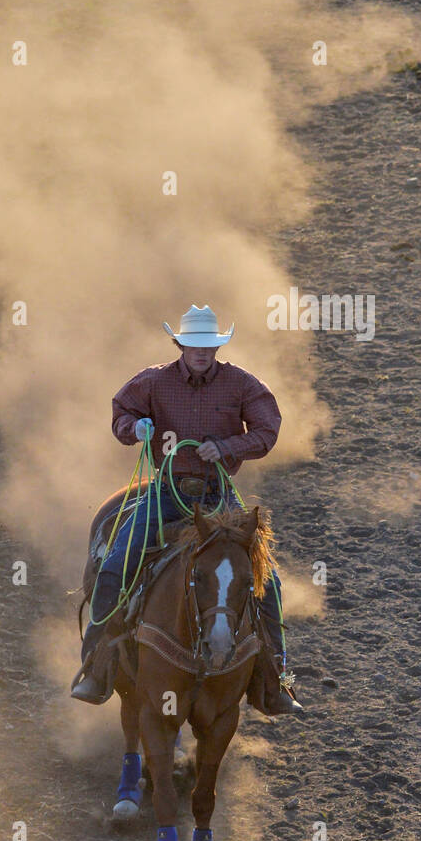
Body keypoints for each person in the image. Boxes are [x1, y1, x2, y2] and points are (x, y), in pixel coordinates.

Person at [71, 304, 303, 716]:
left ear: (217, 347)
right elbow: (121, 412)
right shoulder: (154, 381)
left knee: (270, 581)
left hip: (218, 496)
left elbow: (268, 430)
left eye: (208, 346)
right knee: (115, 565)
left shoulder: (243, 385)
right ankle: (95, 665)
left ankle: (276, 676)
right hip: (166, 490)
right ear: (180, 344)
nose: (201, 352)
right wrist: (134, 429)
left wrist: (228, 447)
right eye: (194, 345)